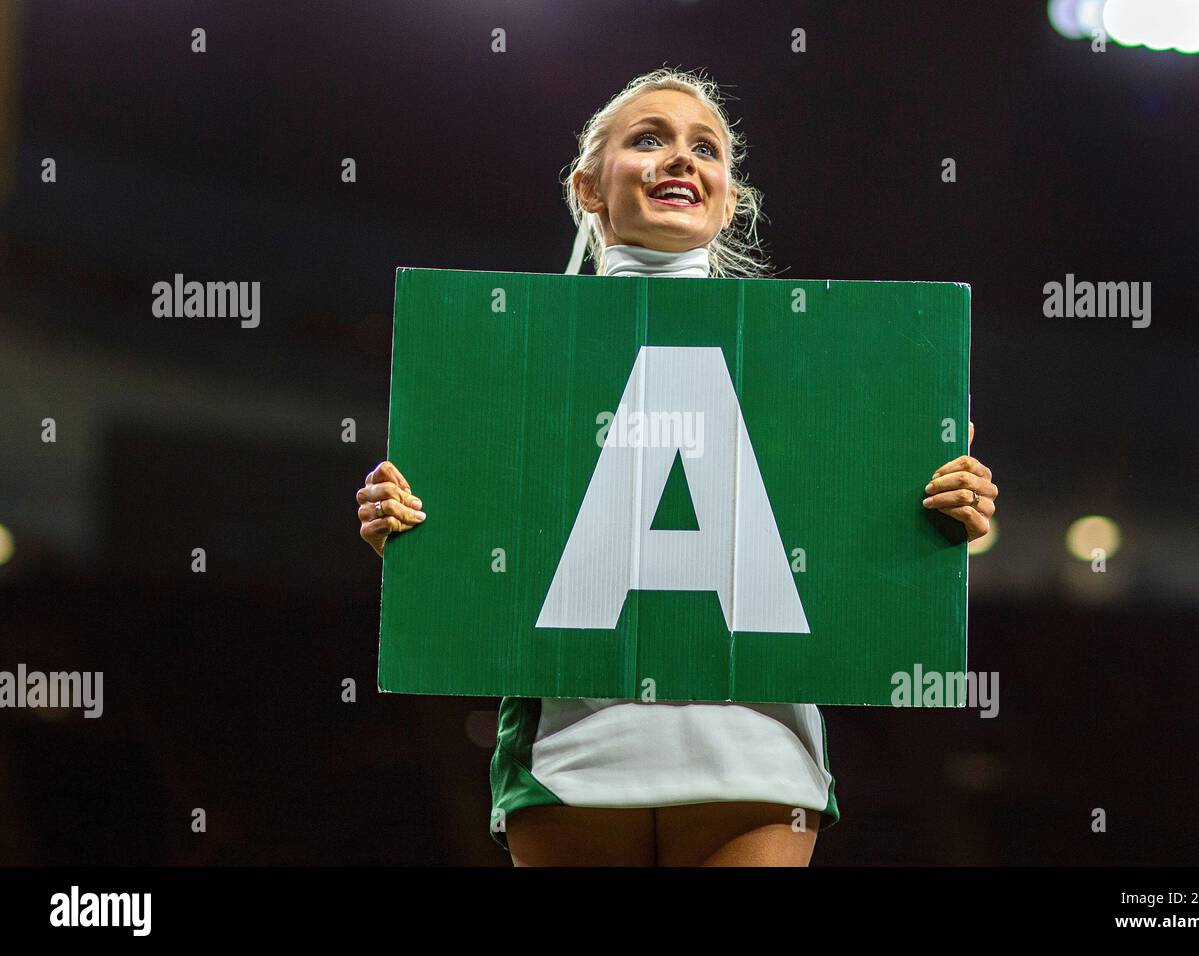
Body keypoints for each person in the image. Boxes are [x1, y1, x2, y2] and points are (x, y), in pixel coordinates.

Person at [356, 68, 999, 866]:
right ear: (590, 188)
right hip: (569, 750)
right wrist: (417, 544)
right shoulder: (508, 368)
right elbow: (476, 570)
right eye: (649, 139)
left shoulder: (815, 371)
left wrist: (945, 518)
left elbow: (858, 568)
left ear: (729, 198)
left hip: (756, 748)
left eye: (707, 149)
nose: (681, 160)